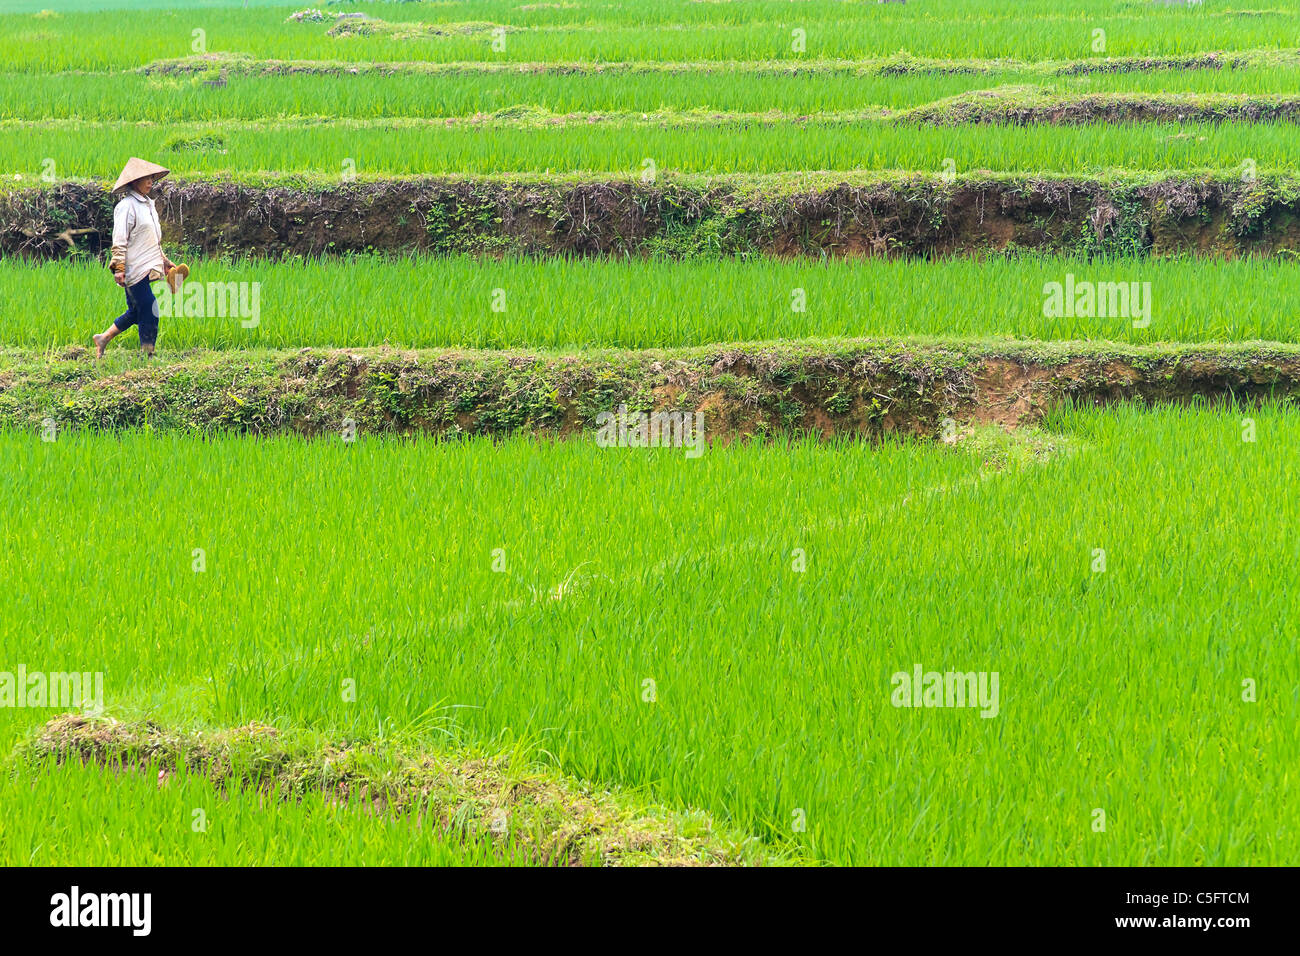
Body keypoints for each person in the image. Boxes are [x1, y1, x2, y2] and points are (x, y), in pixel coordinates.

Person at [93, 157, 185, 358]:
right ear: (134, 181)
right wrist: (118, 268)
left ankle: (103, 338)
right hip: (133, 268)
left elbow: (151, 240)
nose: (150, 181)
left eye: (152, 178)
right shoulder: (126, 206)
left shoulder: (148, 205)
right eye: (146, 178)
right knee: (150, 308)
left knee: (137, 310)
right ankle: (147, 354)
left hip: (148, 265)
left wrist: (164, 261)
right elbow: (119, 239)